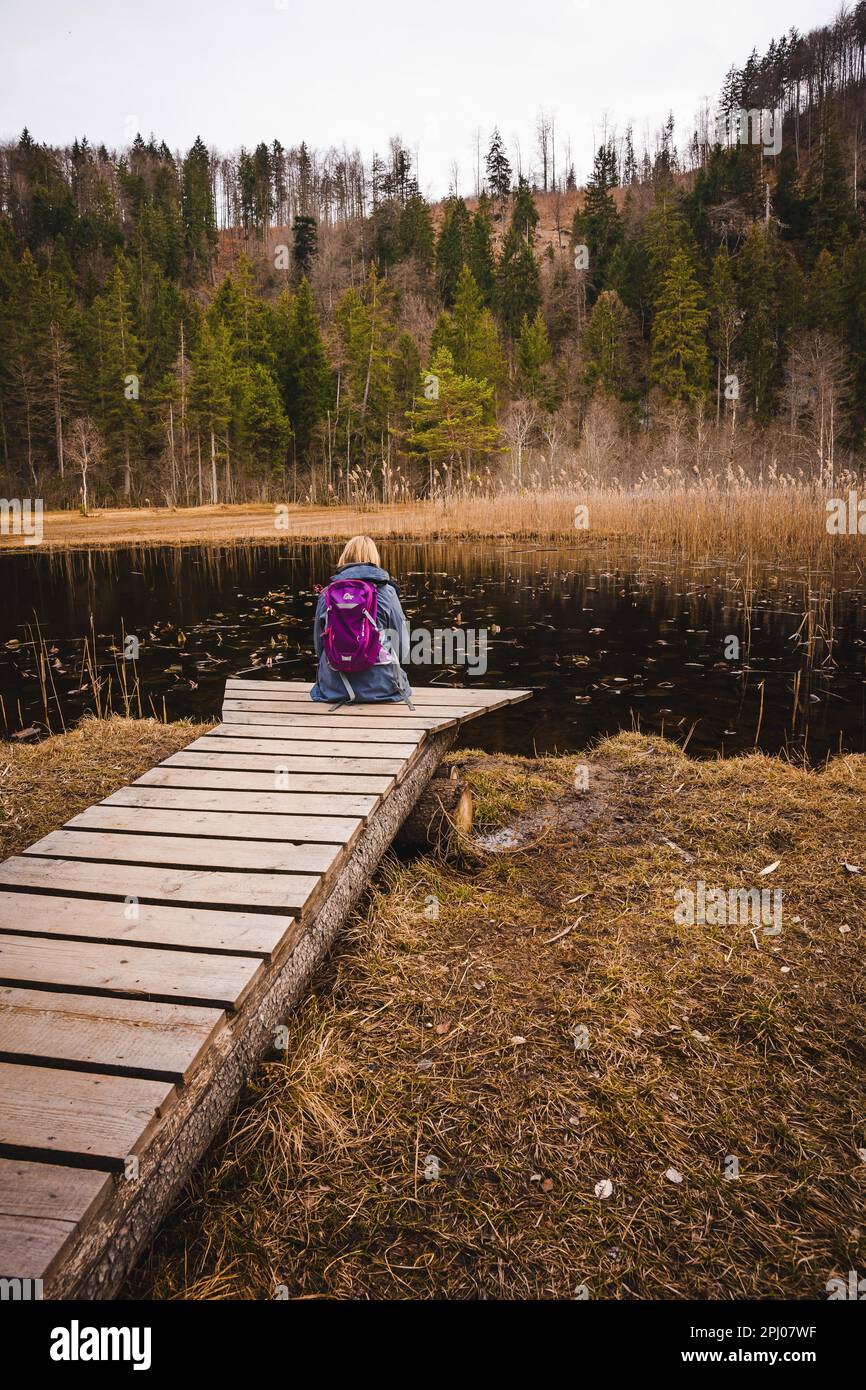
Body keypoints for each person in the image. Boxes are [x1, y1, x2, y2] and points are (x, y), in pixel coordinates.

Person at [311, 535, 413, 705]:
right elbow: (402, 646)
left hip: (334, 688)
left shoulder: (327, 593)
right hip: (383, 688)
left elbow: (319, 646)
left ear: (344, 557)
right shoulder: (387, 592)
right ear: (374, 559)